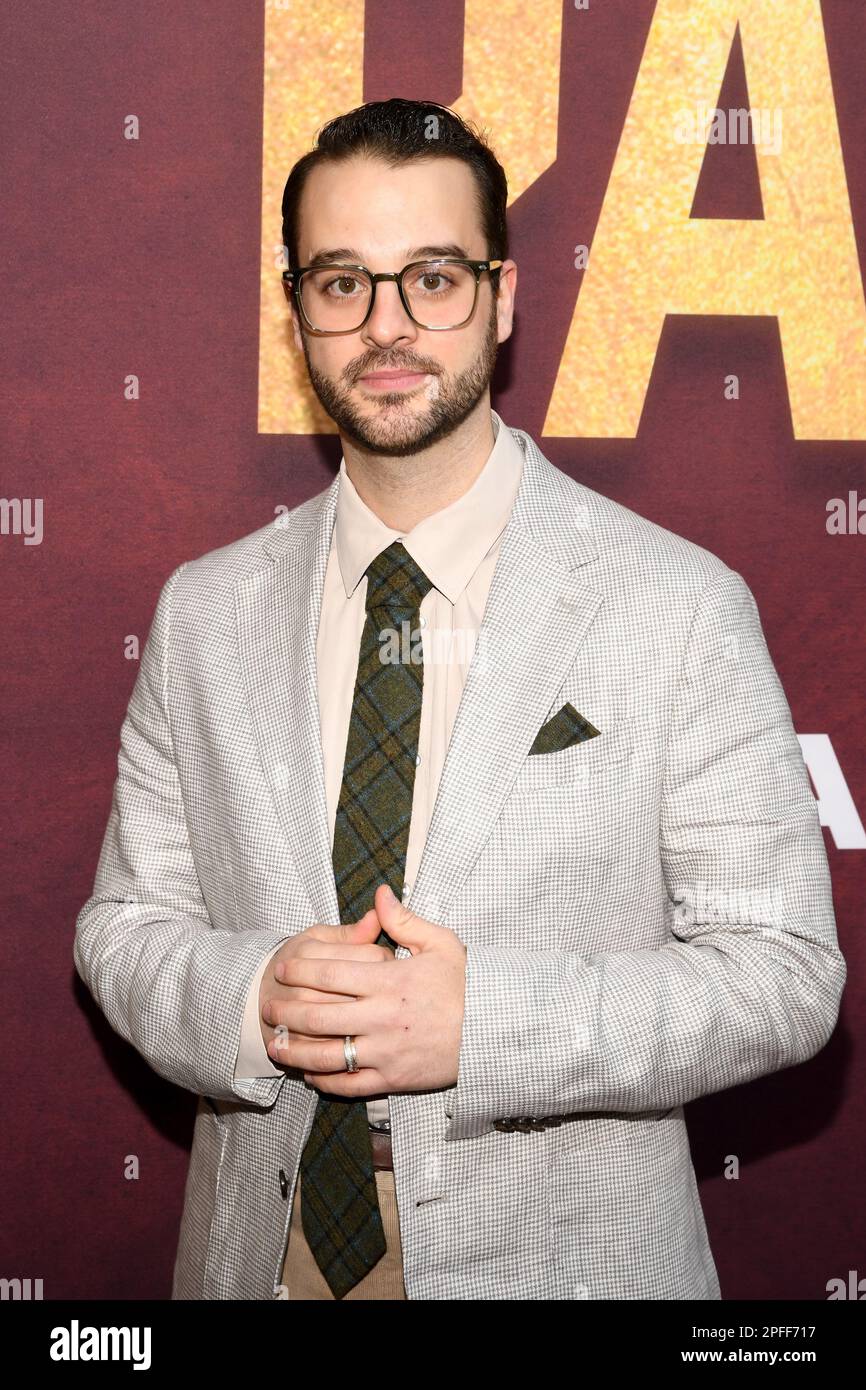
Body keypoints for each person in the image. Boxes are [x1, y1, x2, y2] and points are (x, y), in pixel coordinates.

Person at [74, 97, 845, 1302]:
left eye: (431, 276)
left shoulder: (675, 605)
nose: (386, 327)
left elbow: (780, 974)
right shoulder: (202, 614)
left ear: (502, 292)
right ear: (295, 315)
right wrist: (249, 1001)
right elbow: (123, 928)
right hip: (253, 1261)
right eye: (342, 283)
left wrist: (481, 1021)